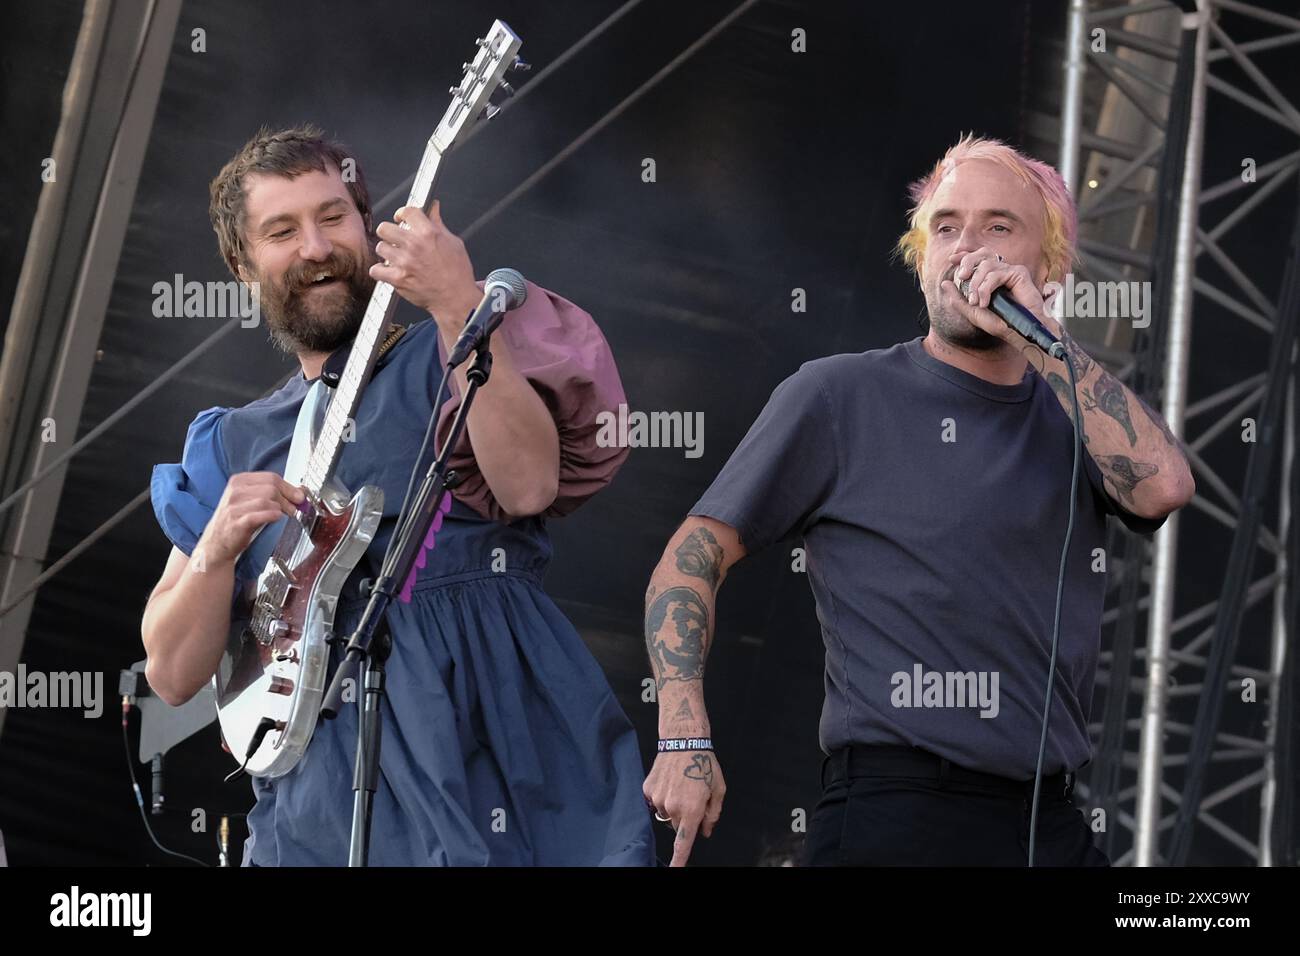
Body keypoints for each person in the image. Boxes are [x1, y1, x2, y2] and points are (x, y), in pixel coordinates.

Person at [641, 134, 1195, 866]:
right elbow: (689, 561)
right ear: (920, 256)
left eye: (999, 227)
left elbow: (1162, 487)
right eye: (945, 226)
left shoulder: (1076, 410)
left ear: (1051, 266)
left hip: (1047, 820)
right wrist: (683, 737)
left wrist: (1047, 343)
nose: (968, 247)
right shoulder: (838, 395)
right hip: (897, 812)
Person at [142, 124, 654, 866]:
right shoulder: (233, 443)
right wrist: (215, 552)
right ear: (241, 263)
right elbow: (171, 672)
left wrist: (457, 305)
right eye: (282, 230)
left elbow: (531, 483)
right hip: (320, 812)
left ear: (370, 227)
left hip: (494, 768)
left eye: (333, 217)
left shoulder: (454, 350)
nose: (316, 248)